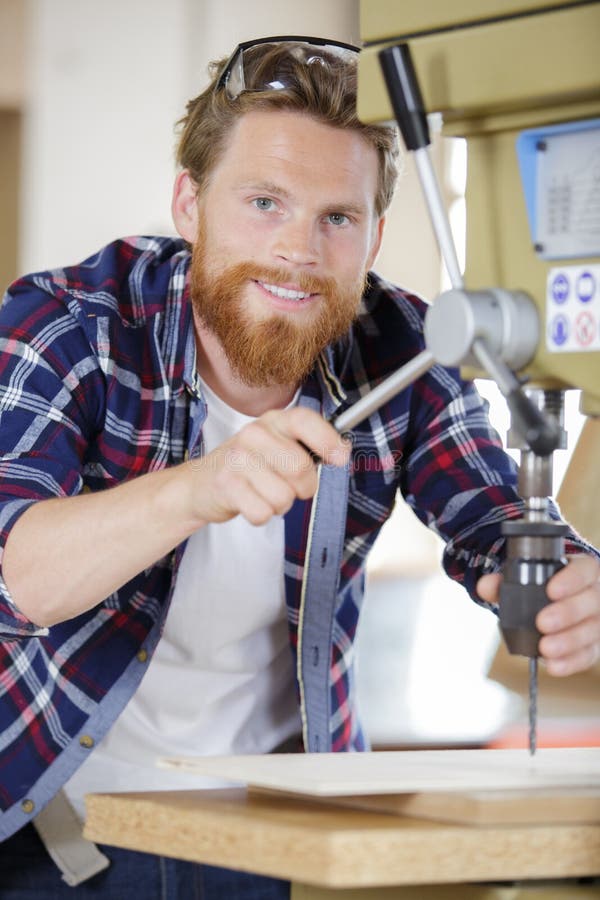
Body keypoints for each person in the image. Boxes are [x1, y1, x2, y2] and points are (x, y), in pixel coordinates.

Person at [0, 35, 599, 899]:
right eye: (264, 202)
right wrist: (199, 489)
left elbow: (493, 520)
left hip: (275, 841)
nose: (299, 250)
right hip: (53, 830)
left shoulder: (402, 347)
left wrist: (569, 581)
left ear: (374, 235)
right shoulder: (68, 323)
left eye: (337, 218)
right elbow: (19, 575)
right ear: (190, 203)